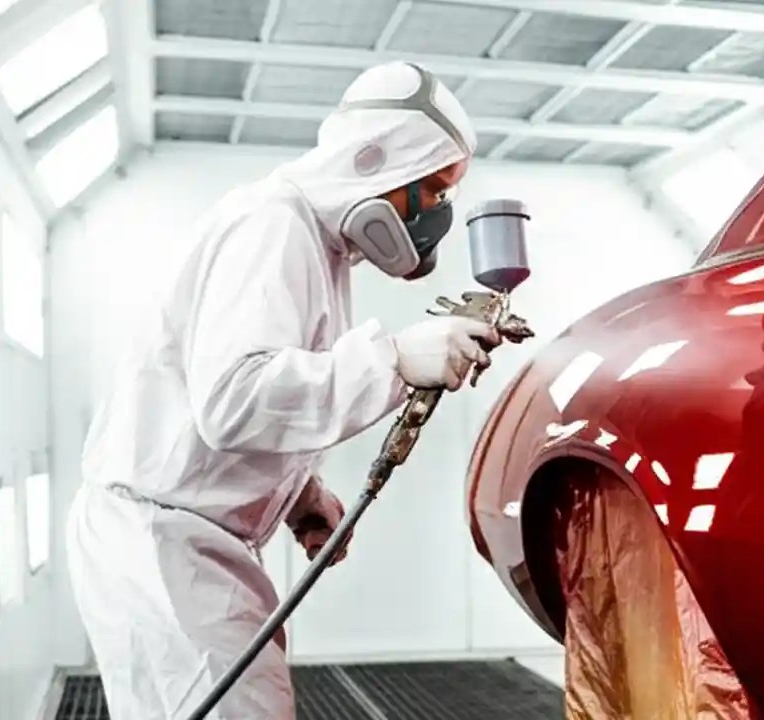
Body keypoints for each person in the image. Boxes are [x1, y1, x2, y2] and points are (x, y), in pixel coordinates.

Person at [64, 61, 496, 719]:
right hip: (161, 540)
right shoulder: (274, 224)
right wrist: (395, 359)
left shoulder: (314, 242)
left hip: (183, 532)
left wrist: (300, 498)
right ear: (377, 163)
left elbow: (257, 394)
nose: (437, 213)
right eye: (433, 188)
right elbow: (234, 399)